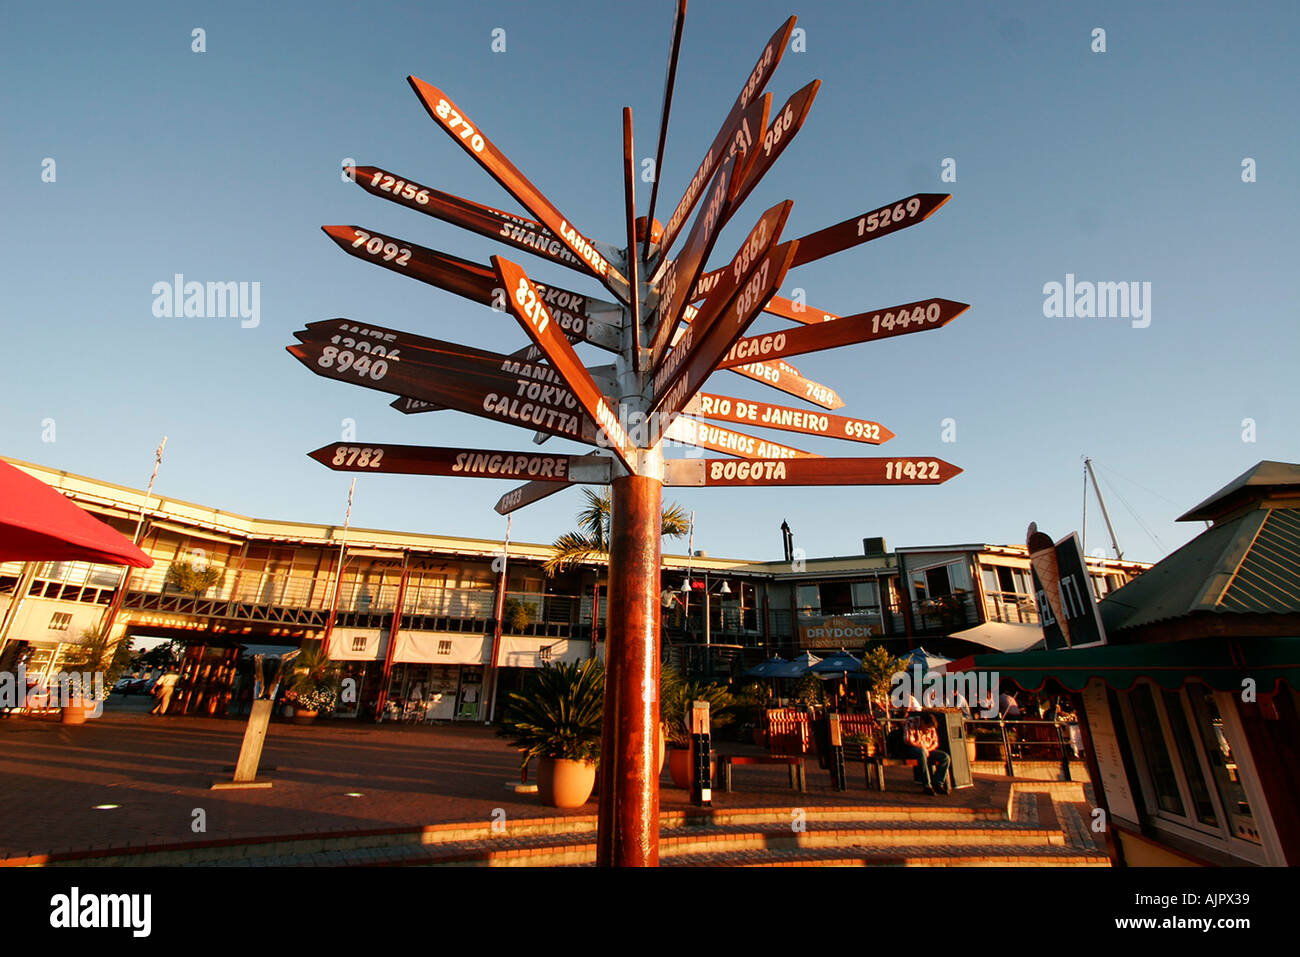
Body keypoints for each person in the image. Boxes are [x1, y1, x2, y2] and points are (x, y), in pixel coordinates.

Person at [902, 712, 951, 795]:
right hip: (912, 748)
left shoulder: (931, 727)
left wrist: (927, 749)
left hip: (927, 749)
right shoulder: (911, 722)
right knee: (921, 754)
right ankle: (927, 785)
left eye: (930, 728)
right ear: (922, 722)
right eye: (927, 727)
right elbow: (908, 740)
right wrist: (922, 748)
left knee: (945, 757)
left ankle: (938, 783)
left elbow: (935, 743)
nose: (928, 730)